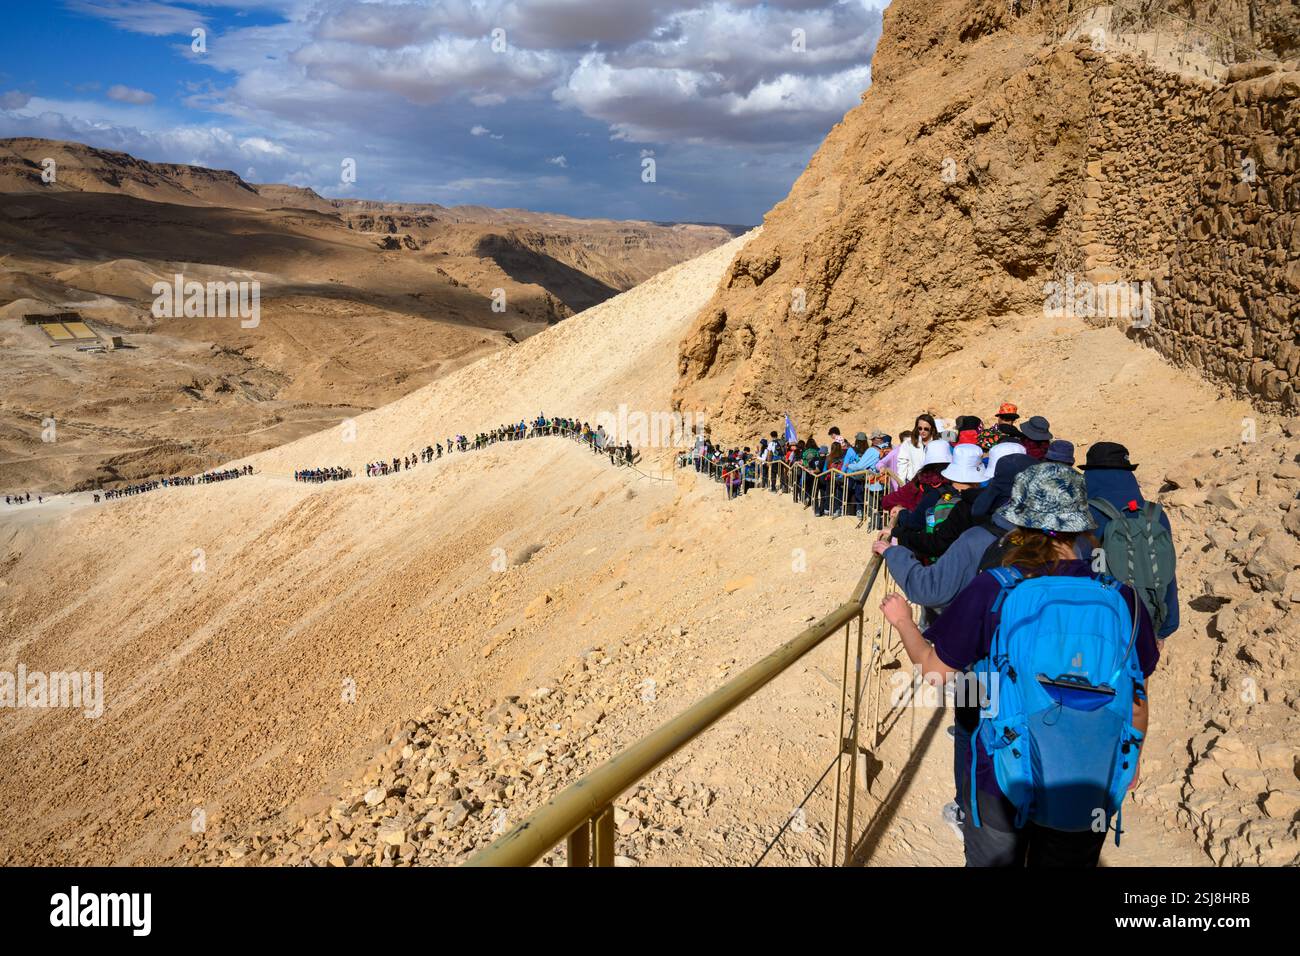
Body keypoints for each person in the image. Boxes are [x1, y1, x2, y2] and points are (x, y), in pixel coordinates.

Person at [881, 463, 1157, 867]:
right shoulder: (1123, 598)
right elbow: (1136, 694)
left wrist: (904, 621)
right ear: (1083, 526)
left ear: (1019, 524)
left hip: (1001, 777)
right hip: (1089, 773)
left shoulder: (995, 587)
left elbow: (936, 671)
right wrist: (1131, 757)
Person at [1082, 441, 1180, 647]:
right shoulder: (1155, 515)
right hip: (1147, 618)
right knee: (1138, 673)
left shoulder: (1086, 515)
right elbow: (1167, 574)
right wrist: (1164, 628)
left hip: (1099, 625)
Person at [896, 414, 937, 484]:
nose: (922, 431)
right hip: (914, 483)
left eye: (926, 429)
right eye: (920, 428)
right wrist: (901, 484)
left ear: (932, 428)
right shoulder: (908, 443)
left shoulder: (938, 443)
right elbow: (902, 464)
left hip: (933, 484)